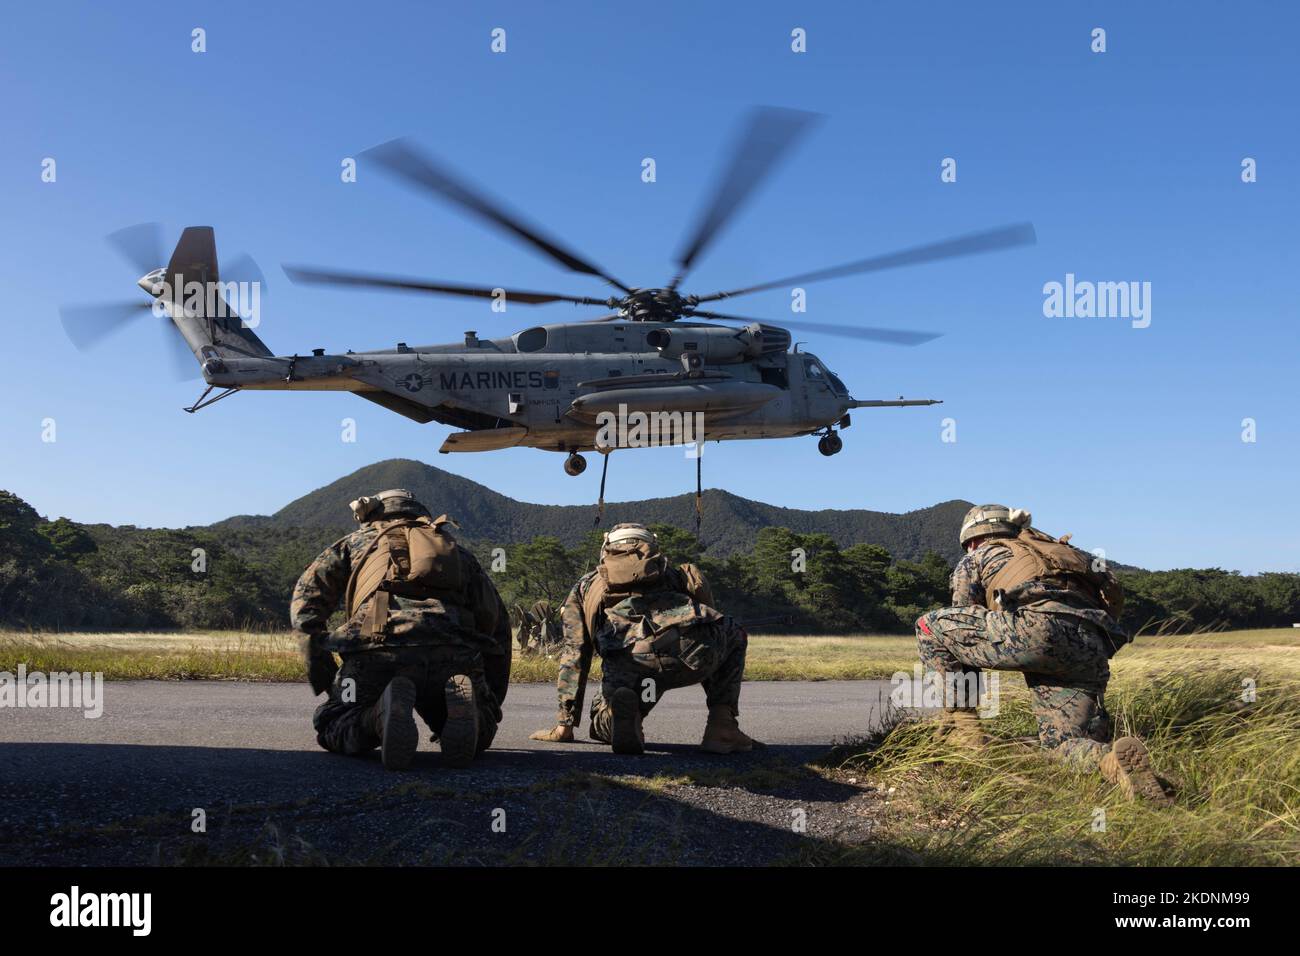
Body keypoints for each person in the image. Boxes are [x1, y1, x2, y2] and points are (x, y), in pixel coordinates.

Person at [915, 504, 1169, 803]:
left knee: (930, 626)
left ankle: (962, 727)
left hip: (1034, 630)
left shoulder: (980, 556)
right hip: (1090, 644)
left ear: (973, 539)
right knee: (1065, 743)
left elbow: (963, 616)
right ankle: (1111, 762)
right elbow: (1113, 594)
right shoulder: (1069, 554)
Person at [290, 488, 511, 771]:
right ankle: (465, 714)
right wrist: (489, 696)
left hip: (379, 652)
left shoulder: (354, 543)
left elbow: (305, 609)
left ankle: (378, 717)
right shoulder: (456, 551)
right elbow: (498, 624)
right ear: (419, 512)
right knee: (481, 727)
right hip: (454, 653)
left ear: (372, 513)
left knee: (334, 723)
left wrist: (325, 673)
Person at [530, 523, 760, 755]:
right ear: (651, 546)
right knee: (733, 630)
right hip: (689, 655)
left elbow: (575, 654)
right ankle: (722, 726)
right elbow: (711, 621)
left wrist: (565, 724)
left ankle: (619, 719)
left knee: (603, 722)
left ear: (607, 549)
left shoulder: (585, 586)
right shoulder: (675, 575)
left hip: (630, 663)